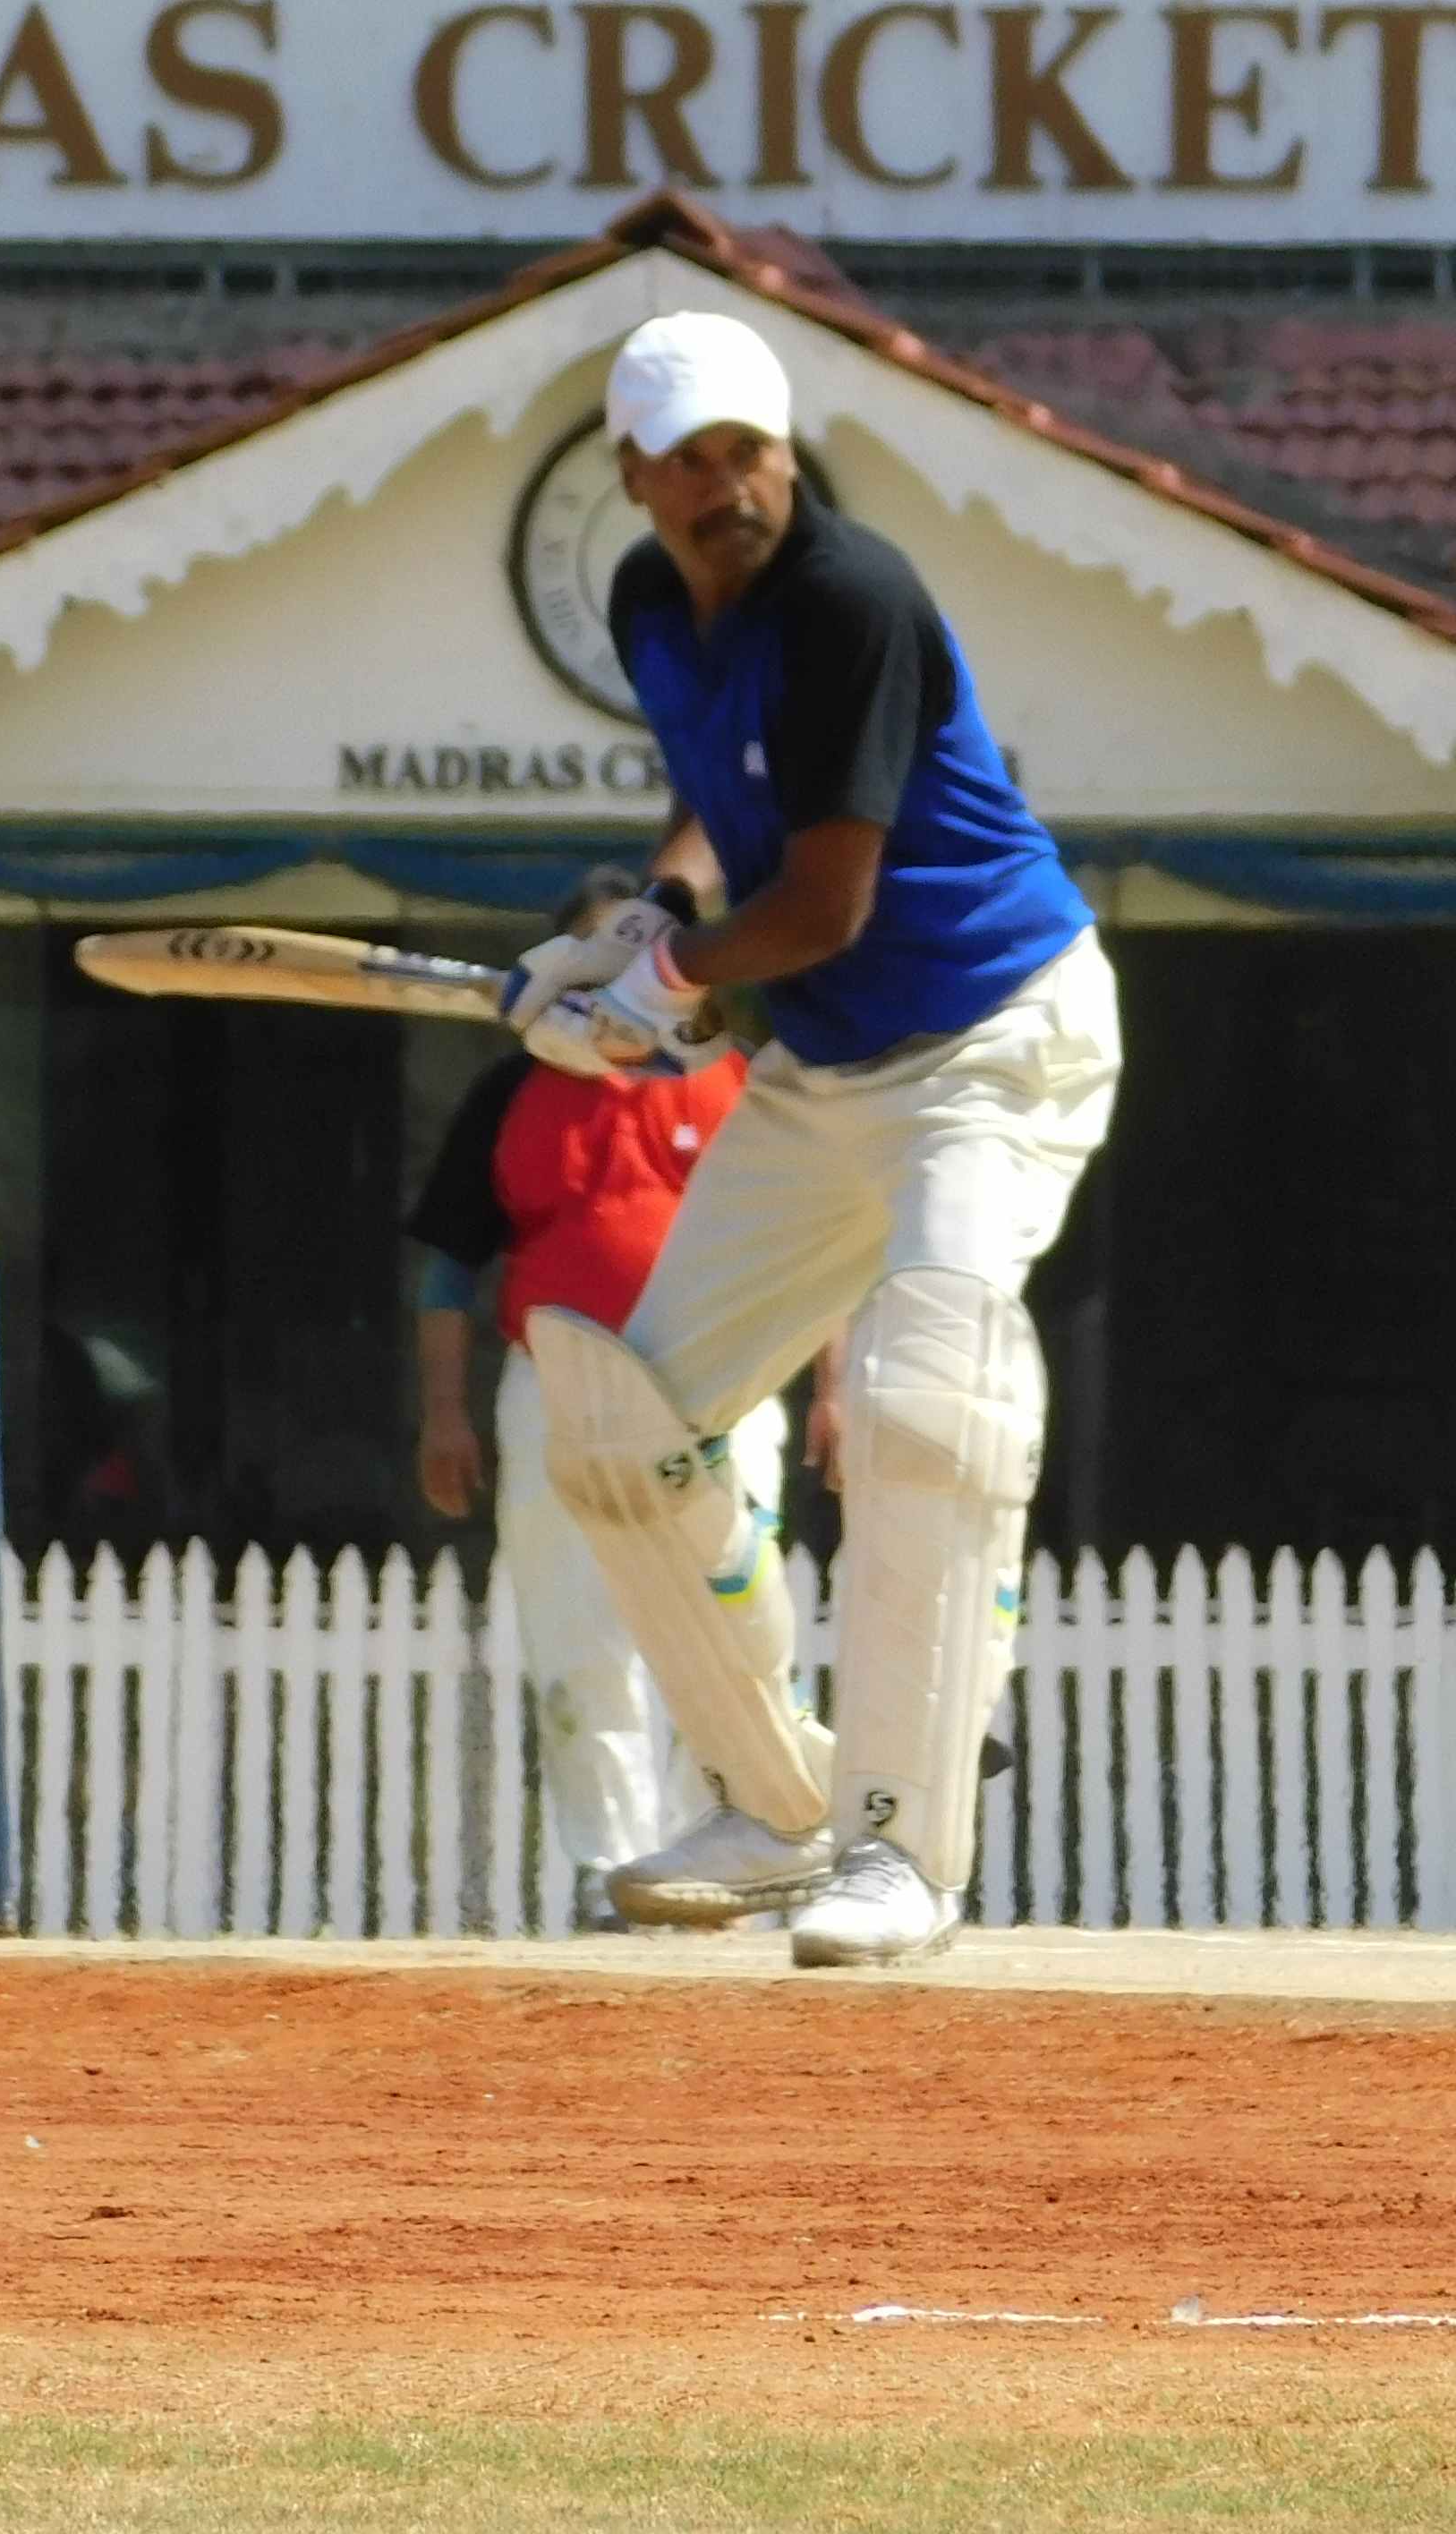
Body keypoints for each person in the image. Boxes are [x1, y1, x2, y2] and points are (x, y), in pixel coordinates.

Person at [503, 309, 1119, 1967]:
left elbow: (830, 904)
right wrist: (650, 916)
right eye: (689, 462)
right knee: (618, 1427)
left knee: (928, 1392)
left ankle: (905, 1848)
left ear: (785, 453)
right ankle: (775, 1804)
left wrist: (666, 984)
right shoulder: (651, 603)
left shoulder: (853, 598)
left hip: (996, 1037)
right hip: (835, 1070)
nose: (726, 489)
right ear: (631, 475)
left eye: (748, 453)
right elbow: (728, 809)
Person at [406, 866, 791, 1924]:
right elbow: (449, 1269)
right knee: (577, 1626)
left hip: (724, 1387)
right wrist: (444, 1414)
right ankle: (609, 1867)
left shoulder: (753, 1086)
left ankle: (725, 1849)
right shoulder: (510, 1092)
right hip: (559, 1385)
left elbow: (820, 1244)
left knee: (731, 1625)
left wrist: (837, 1387)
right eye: (598, 957)